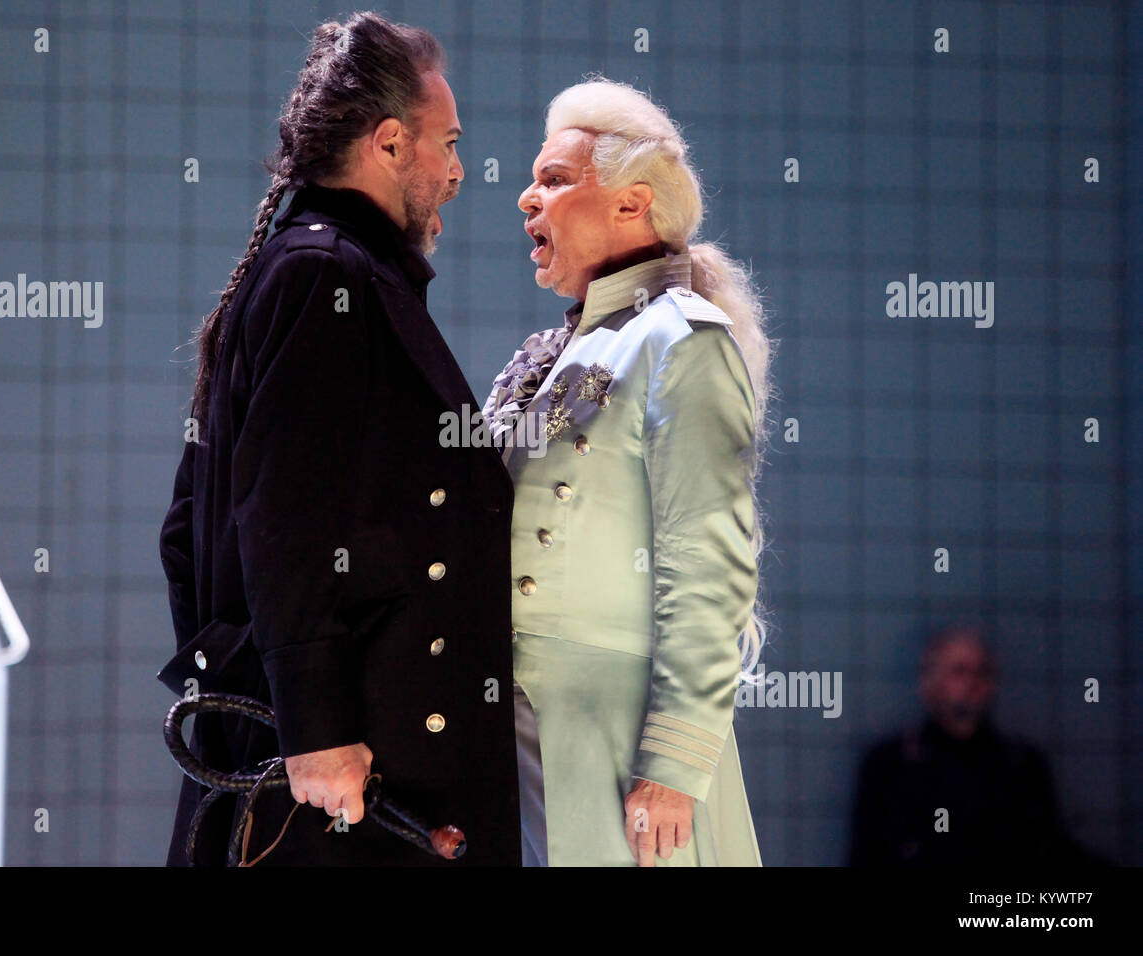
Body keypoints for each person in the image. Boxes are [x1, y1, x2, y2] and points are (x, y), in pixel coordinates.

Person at [157, 12, 520, 866]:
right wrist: (312, 726)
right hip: (341, 782)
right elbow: (284, 516)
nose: (460, 173)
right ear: (391, 144)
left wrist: (248, 688)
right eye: (450, 143)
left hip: (334, 770)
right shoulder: (328, 276)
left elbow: (186, 533)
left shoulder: (308, 268)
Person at [482, 77, 776, 866]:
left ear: (630, 203)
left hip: (620, 737)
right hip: (515, 723)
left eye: (554, 179)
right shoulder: (557, 354)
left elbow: (711, 567)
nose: (526, 198)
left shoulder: (681, 339)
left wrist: (677, 767)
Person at [849, 625, 1108, 866]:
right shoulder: (888, 764)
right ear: (929, 684)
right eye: (960, 671)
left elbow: (1050, 849)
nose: (973, 682)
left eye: (983, 671)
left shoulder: (1022, 764)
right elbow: (866, 855)